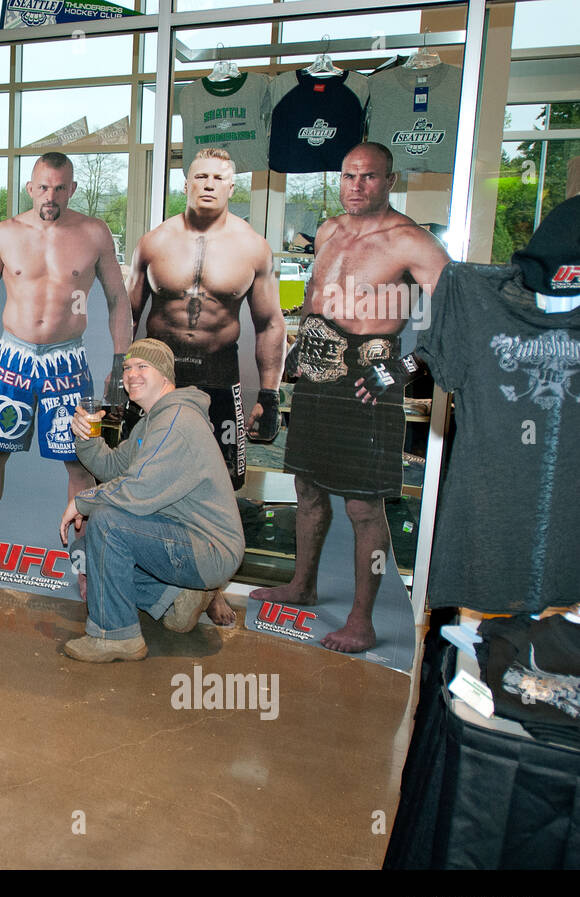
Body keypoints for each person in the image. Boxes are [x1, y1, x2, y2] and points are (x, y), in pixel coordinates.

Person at [251, 142, 449, 653]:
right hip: (317, 376)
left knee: (364, 508)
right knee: (308, 489)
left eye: (368, 177)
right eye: (349, 176)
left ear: (390, 180)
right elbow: (318, 291)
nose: (356, 186)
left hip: (368, 379)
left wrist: (403, 371)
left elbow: (455, 319)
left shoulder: (412, 242)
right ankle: (303, 585)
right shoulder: (330, 229)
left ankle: (362, 621)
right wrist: (298, 346)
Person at [0, 151, 132, 578]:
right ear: (30, 188)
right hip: (12, 358)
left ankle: (85, 567)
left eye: (60, 188)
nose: (50, 196)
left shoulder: (95, 233)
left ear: (72, 189)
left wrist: (121, 361)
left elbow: (117, 298)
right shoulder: (5, 232)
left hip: (67, 362)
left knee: (81, 463)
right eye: (43, 187)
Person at [126, 147, 286, 626]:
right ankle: (150, 579)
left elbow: (271, 323)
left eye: (219, 177)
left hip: (218, 379)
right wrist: (120, 378)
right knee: (144, 474)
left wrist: (272, 395)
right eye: (201, 176)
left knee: (222, 486)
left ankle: (215, 590)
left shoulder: (253, 247)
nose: (209, 184)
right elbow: (126, 315)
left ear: (232, 186)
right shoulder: (153, 242)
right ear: (186, 182)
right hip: (160, 377)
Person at [58, 339, 245, 663]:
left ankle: (116, 637)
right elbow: (115, 467)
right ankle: (175, 598)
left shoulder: (176, 420)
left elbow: (138, 490)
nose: (131, 374)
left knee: (106, 523)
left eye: (143, 366)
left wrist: (82, 502)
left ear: (165, 375)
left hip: (209, 548)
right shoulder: (153, 421)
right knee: (86, 551)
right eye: (128, 367)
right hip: (185, 538)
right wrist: (87, 439)